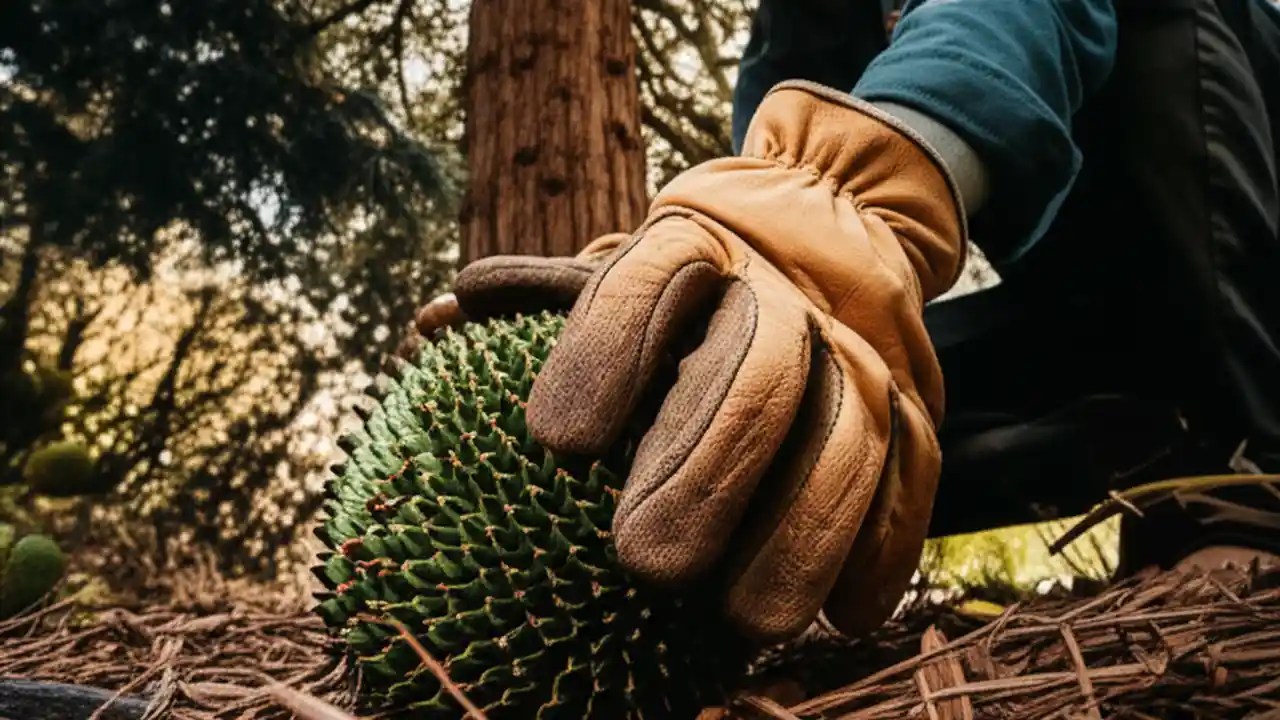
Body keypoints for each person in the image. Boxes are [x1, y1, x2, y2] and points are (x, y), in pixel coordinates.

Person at [399, 0, 1280, 643]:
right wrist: (729, 290)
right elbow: (779, 151)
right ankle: (1163, 446)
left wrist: (850, 198)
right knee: (810, 390)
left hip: (1245, 279)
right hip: (1113, 320)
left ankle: (1235, 491)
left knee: (1176, 17)